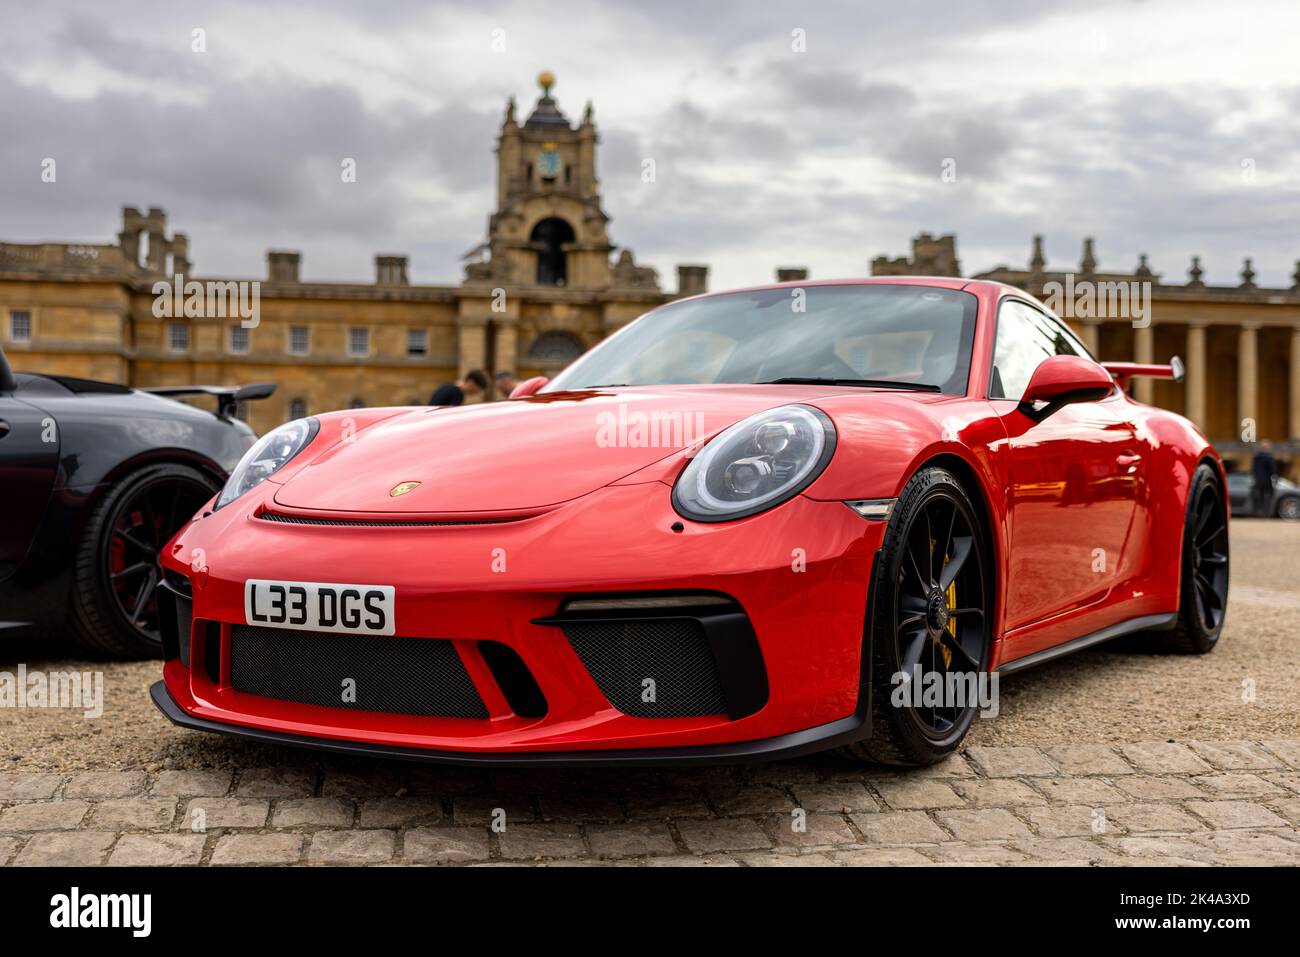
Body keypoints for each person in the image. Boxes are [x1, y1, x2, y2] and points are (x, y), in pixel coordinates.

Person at [1251, 440, 1279, 516]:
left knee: (1259, 497)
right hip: (1267, 480)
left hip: (1258, 480)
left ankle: (1257, 512)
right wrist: (1276, 477)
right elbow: (1273, 470)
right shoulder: (1269, 457)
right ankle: (1266, 513)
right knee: (1268, 497)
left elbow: (1253, 469)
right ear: (1267, 448)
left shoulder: (1256, 457)